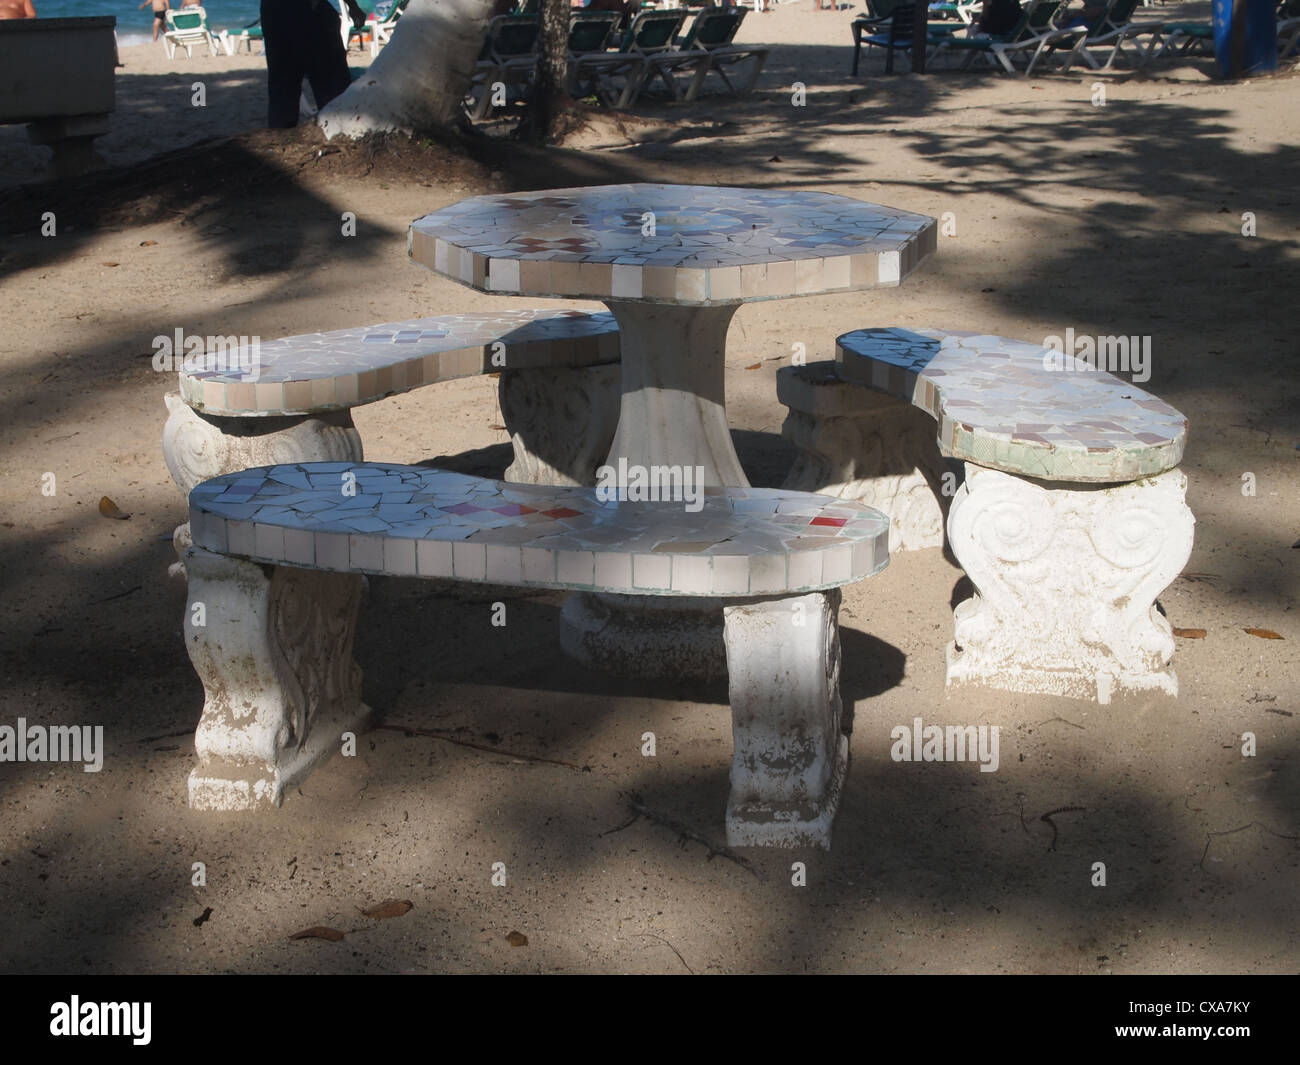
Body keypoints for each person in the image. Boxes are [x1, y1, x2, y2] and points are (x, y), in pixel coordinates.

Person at [261, 0, 367, 128]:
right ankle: (338, 132)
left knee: (282, 89)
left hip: (275, 14)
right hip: (308, 13)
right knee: (331, 88)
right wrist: (353, 7)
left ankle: (280, 138)